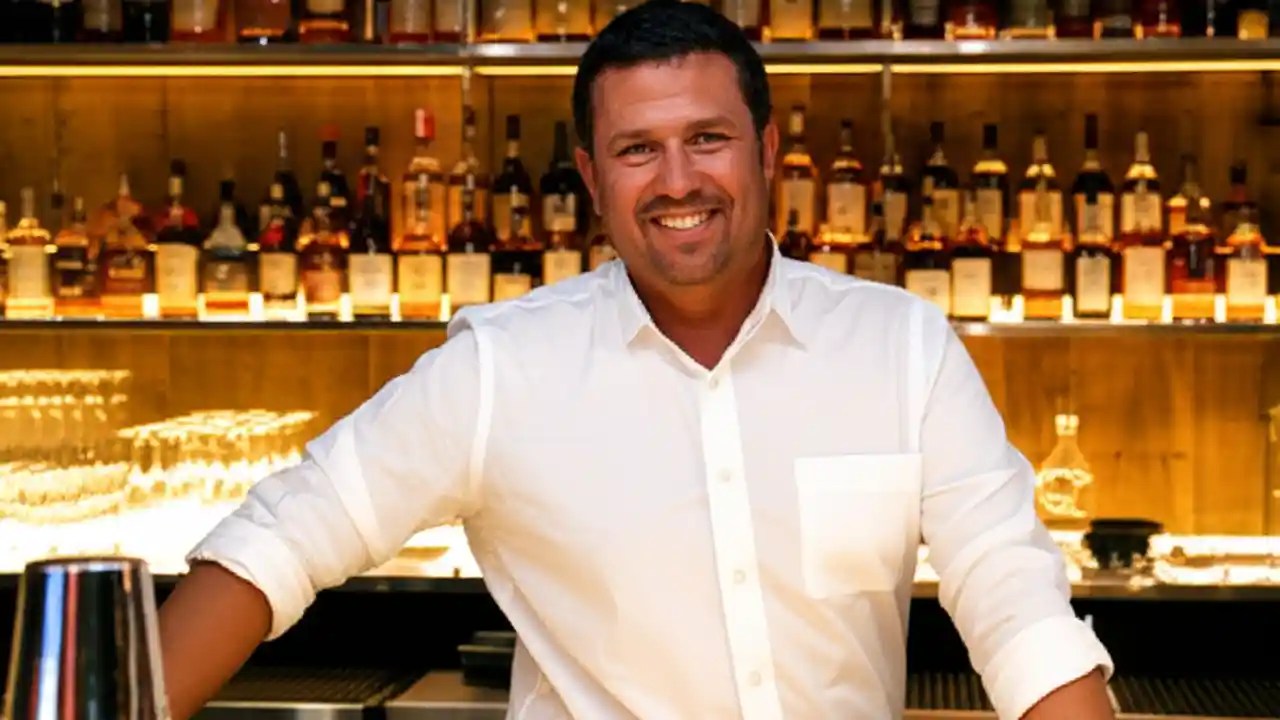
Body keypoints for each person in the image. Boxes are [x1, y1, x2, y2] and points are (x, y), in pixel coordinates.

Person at [158, 1, 1115, 717]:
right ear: (590, 176)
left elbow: (1018, 614)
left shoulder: (903, 348)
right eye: (637, 150)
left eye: (707, 139)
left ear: (767, 149)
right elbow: (276, 544)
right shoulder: (502, 368)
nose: (678, 181)